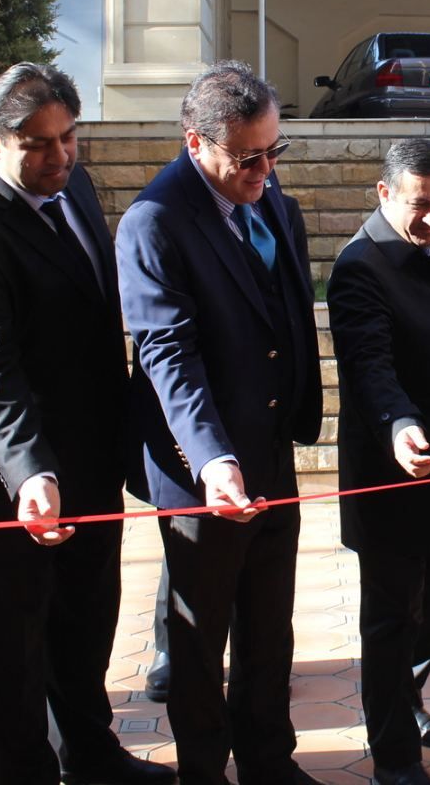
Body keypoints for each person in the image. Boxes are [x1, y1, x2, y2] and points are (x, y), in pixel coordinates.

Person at [0, 64, 167, 785]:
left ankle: (90, 755)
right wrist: (30, 471)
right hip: (2, 482)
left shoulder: (74, 187)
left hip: (89, 461)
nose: (59, 157)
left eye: (69, 138)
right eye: (37, 145)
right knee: (11, 648)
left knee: (85, 623)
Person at [117, 63, 322, 785]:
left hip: (271, 450)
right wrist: (211, 459)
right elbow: (167, 354)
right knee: (200, 638)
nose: (264, 171)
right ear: (196, 142)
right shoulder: (155, 222)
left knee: (270, 626)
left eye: (275, 152)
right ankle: (204, 770)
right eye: (247, 158)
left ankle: (270, 762)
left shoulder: (277, 205)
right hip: (200, 468)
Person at [330, 139, 430, 785]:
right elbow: (370, 368)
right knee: (392, 617)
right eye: (422, 205)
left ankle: (410, 701)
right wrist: (399, 425)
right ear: (384, 193)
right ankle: (393, 753)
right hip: (392, 474)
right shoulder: (360, 267)